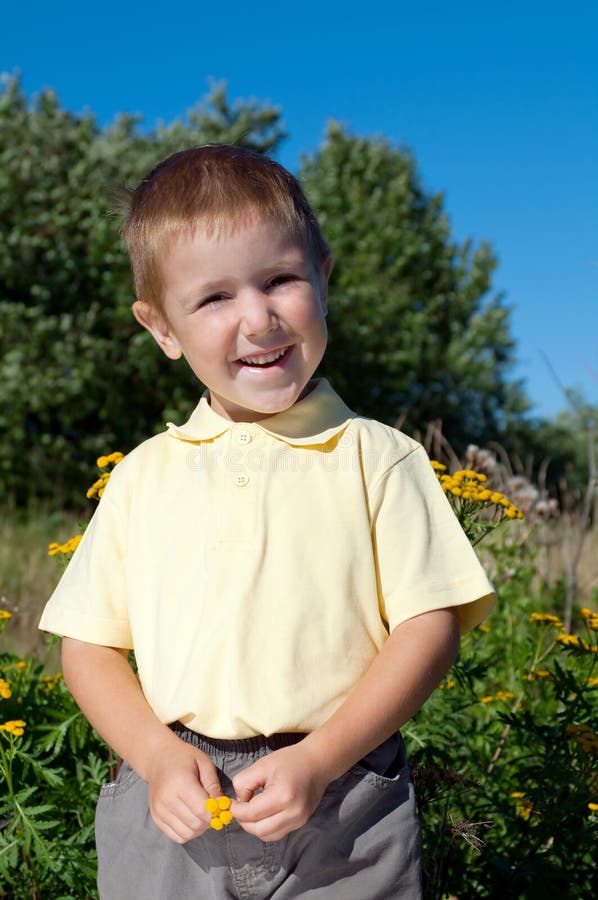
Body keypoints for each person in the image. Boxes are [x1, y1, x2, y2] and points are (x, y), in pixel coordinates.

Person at [39, 144, 494, 900]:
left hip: (345, 798)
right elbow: (87, 648)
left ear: (324, 275)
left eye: (281, 279)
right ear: (162, 329)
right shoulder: (143, 474)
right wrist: (152, 757)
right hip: (173, 803)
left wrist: (320, 759)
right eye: (213, 299)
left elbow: (430, 629)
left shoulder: (381, 458)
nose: (258, 318)